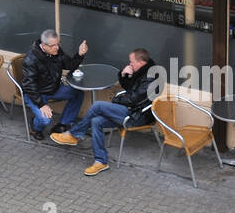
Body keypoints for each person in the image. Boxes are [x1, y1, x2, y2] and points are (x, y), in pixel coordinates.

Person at [50, 48, 156, 176]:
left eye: (132, 62)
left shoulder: (151, 77)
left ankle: (74, 134)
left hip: (138, 116)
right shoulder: (141, 71)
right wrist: (124, 75)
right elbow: (129, 89)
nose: (129, 64)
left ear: (141, 62)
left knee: (98, 106)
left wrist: (117, 99)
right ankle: (101, 161)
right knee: (96, 121)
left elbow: (133, 99)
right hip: (130, 110)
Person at [21, 29, 88, 138]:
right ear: (44, 45)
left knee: (78, 93)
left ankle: (63, 124)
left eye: (58, 44)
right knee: (44, 120)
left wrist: (79, 55)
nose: (57, 47)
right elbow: (29, 86)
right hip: (35, 94)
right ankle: (35, 128)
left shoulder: (55, 51)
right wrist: (41, 104)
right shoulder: (30, 60)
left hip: (53, 89)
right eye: (53, 45)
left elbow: (69, 65)